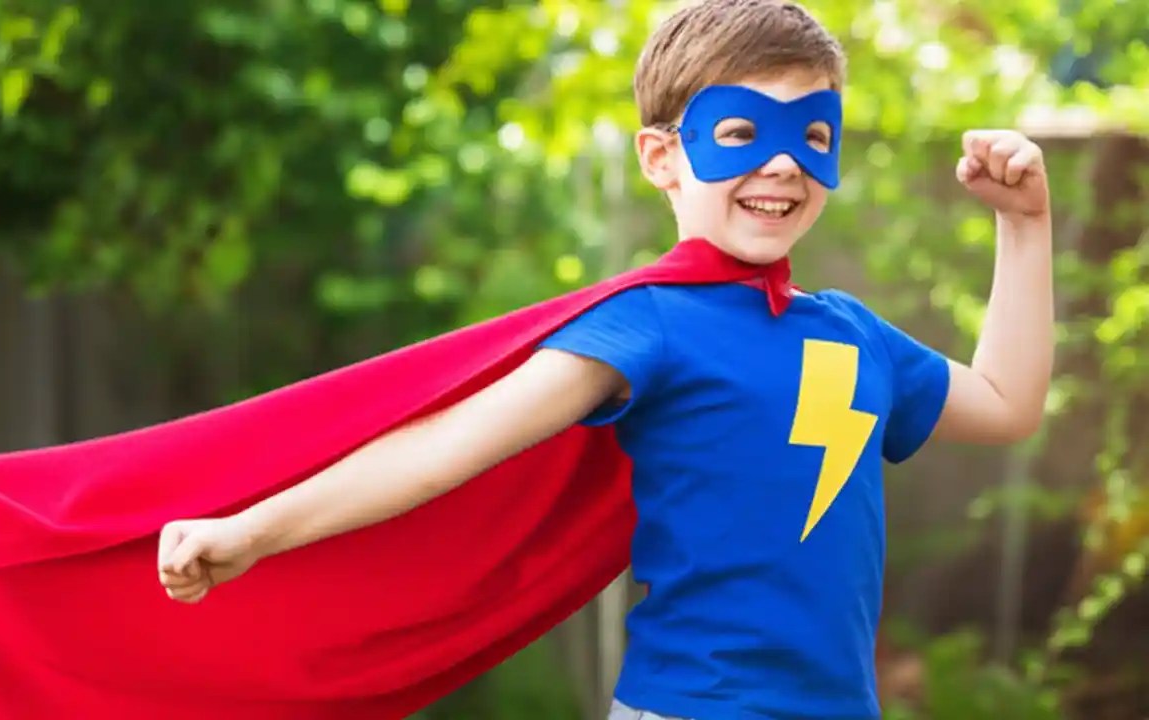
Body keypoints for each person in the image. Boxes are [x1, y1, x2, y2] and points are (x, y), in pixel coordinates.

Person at [158, 1, 1054, 717]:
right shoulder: (649, 327)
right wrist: (249, 531)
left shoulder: (853, 336)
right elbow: (446, 446)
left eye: (813, 135)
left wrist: (1024, 226)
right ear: (663, 158)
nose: (784, 165)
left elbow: (1008, 402)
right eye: (742, 134)